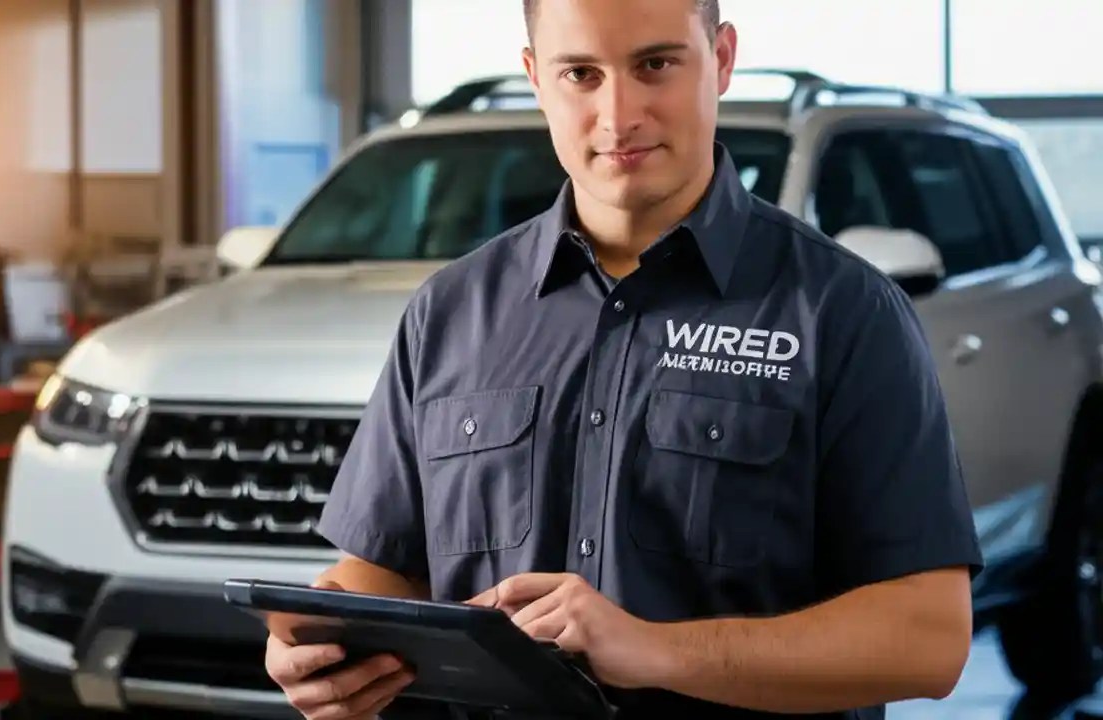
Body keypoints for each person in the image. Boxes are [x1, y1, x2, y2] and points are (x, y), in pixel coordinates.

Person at [263, 0, 984, 717]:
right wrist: (318, 638)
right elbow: (385, 568)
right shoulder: (450, 313)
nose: (617, 115)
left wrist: (654, 650)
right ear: (536, 78)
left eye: (655, 65)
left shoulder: (843, 311)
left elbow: (927, 638)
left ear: (722, 59)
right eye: (580, 73)